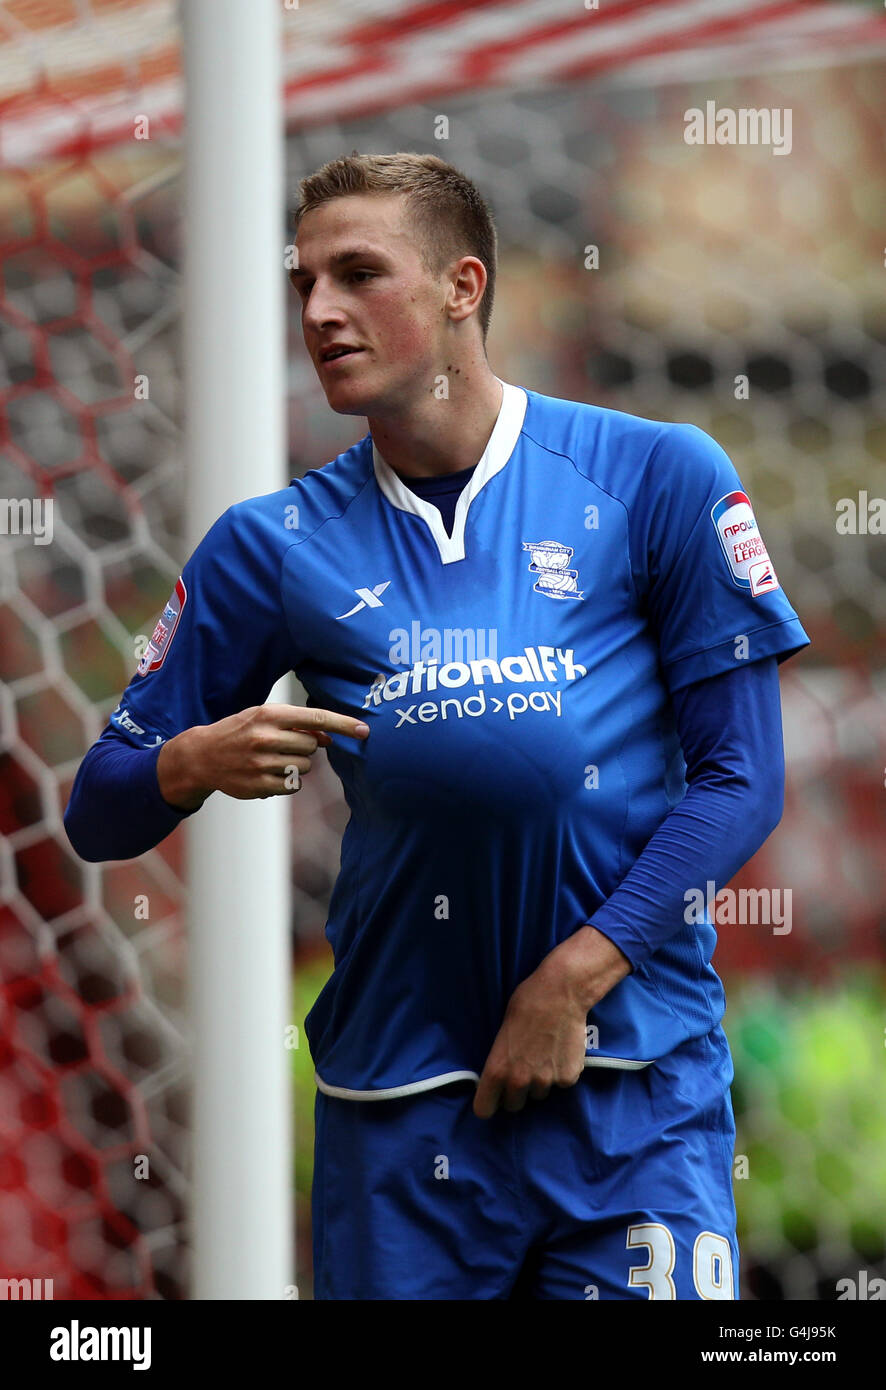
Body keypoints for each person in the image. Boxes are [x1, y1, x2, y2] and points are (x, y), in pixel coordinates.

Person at [65, 151, 810, 1301]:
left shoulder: (655, 476)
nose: (318, 311)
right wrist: (186, 759)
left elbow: (740, 781)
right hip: (401, 1112)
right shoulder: (271, 544)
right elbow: (96, 807)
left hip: (630, 1088)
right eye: (303, 282)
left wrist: (571, 978)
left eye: (359, 274)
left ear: (463, 287)